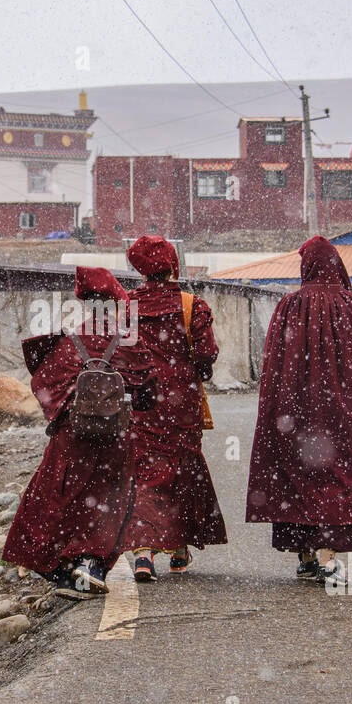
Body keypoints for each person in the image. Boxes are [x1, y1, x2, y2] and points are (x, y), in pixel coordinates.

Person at [3, 267, 154, 598]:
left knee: (57, 498)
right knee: (110, 500)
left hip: (73, 437)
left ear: (85, 304)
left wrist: (65, 413)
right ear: (113, 304)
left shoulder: (68, 342)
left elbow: (43, 385)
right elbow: (148, 391)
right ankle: (91, 564)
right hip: (118, 435)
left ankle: (60, 568)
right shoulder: (128, 340)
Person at [246, 236, 352, 586]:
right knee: (334, 475)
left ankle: (306, 555)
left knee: (299, 476)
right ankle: (326, 558)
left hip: (296, 411)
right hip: (340, 413)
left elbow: (273, 365)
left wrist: (280, 409)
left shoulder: (289, 306)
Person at [121, 235, 227, 581]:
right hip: (181, 405)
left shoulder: (127, 306)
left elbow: (119, 355)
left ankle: (143, 553)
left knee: (145, 474)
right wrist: (196, 368)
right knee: (181, 471)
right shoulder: (190, 304)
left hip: (141, 405)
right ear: (171, 265)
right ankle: (179, 552)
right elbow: (207, 352)